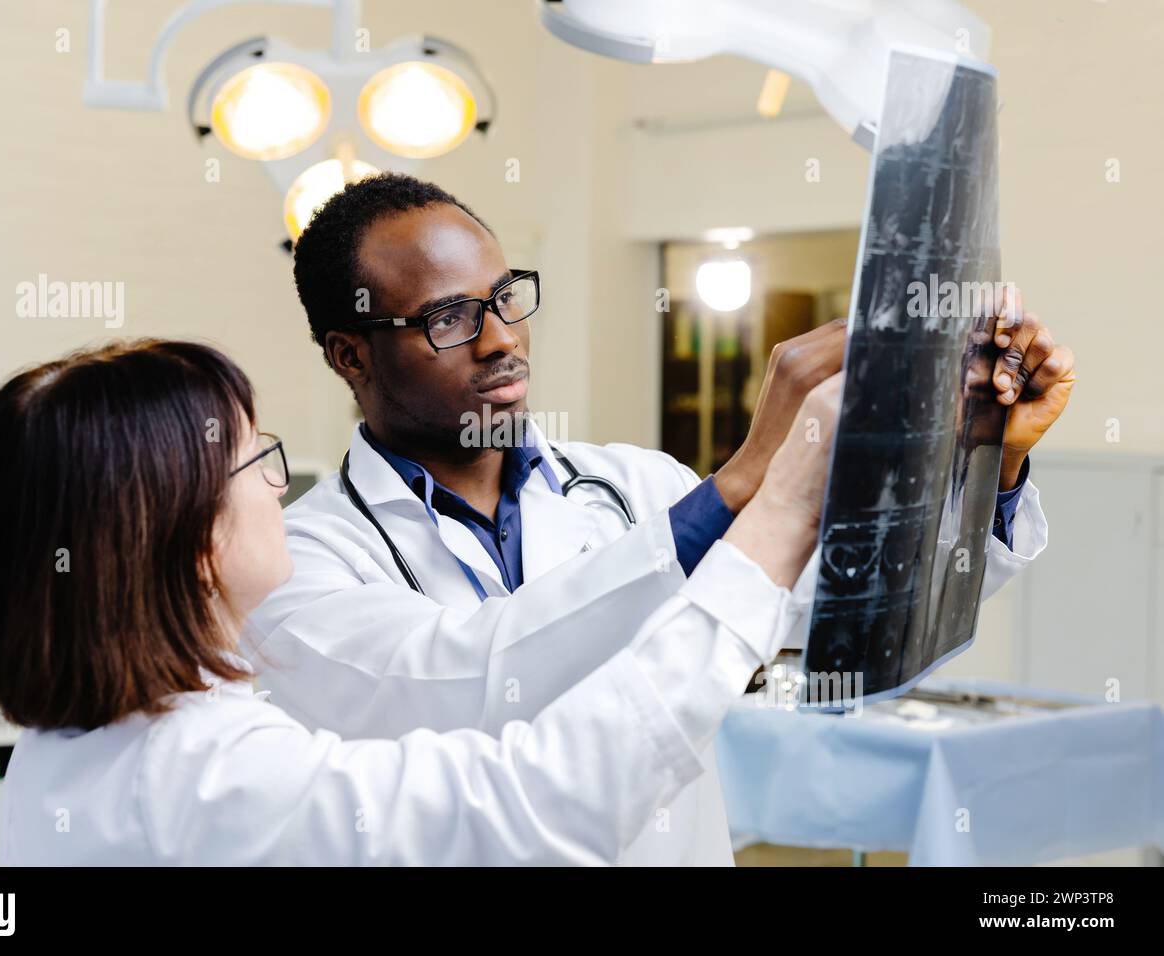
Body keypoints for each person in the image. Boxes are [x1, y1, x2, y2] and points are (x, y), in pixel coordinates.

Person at [245, 174, 1075, 864]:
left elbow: (843, 615)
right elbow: (474, 676)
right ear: (350, 354)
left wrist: (985, 461)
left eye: (506, 298)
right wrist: (745, 480)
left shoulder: (634, 486)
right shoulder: (300, 563)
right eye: (449, 318)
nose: (500, 339)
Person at [0, 339, 840, 865]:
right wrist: (772, 516)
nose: (276, 485)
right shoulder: (203, 776)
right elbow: (538, 794)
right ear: (190, 538)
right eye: (255, 460)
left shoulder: (82, 749)